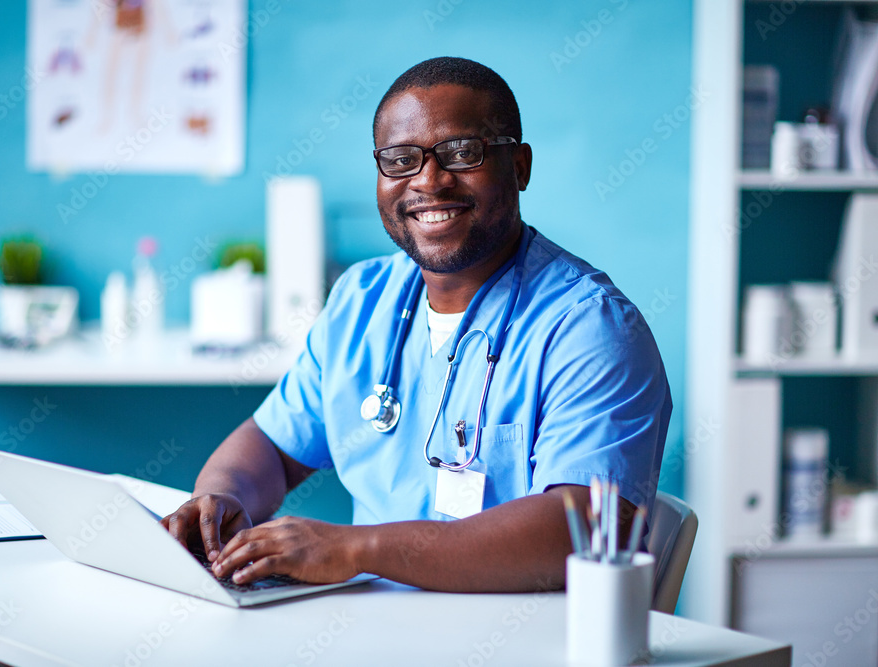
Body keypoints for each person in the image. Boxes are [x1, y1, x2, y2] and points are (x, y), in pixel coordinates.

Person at [161, 56, 671, 593]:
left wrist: (355, 550)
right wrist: (221, 499)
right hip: (366, 623)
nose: (429, 180)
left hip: (514, 629)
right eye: (401, 160)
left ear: (519, 166)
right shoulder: (362, 300)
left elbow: (581, 530)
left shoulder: (591, 329)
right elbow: (271, 446)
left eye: (462, 153)